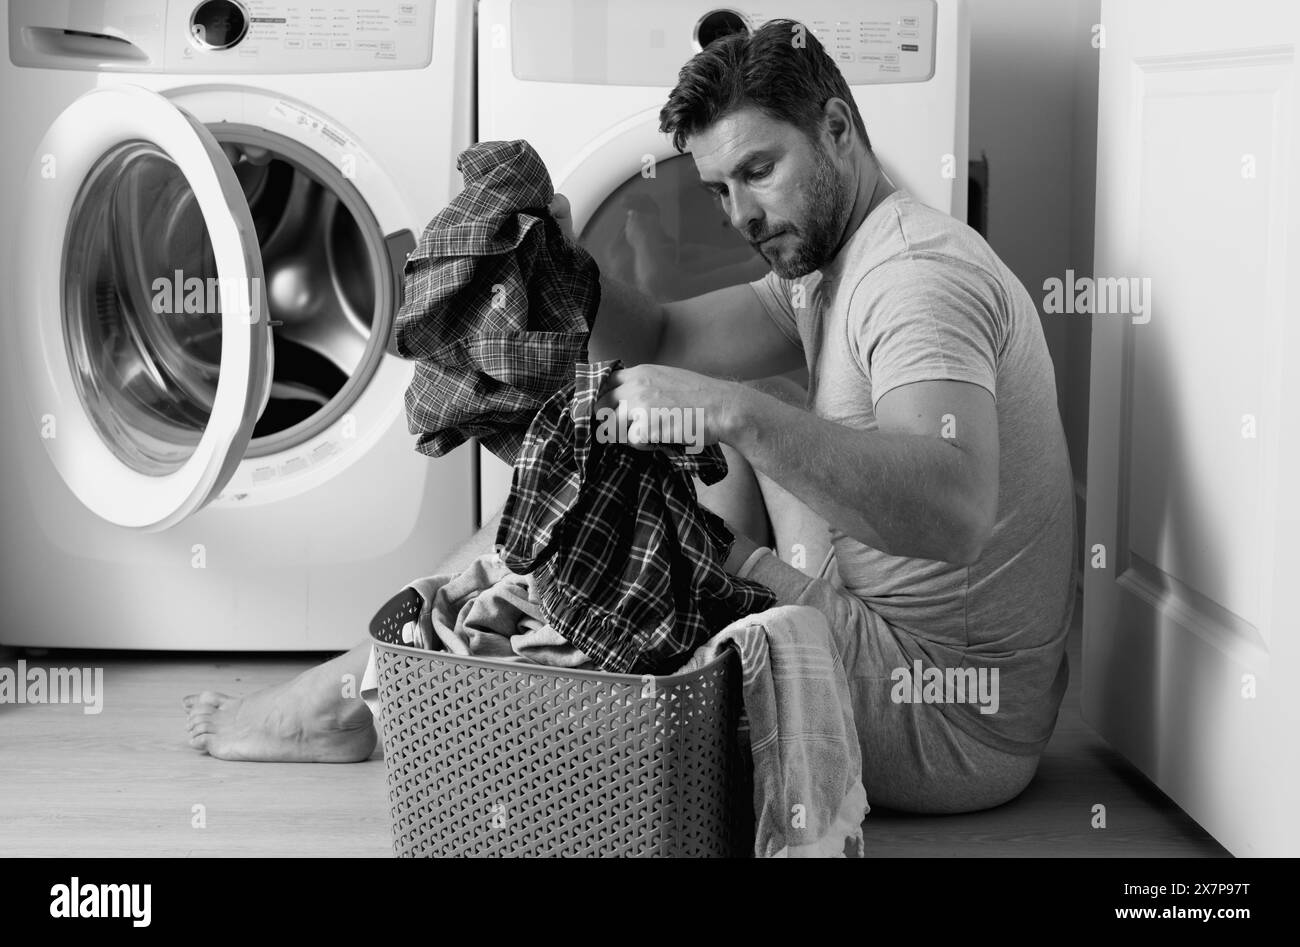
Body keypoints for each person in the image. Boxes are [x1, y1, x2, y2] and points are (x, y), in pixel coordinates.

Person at [186, 19, 1076, 814]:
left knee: (607, 506)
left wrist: (725, 414)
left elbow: (958, 511)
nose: (743, 214)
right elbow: (666, 331)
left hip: (941, 719)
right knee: (685, 440)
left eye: (761, 171)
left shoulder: (916, 277)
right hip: (925, 665)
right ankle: (387, 678)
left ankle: (351, 700)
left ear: (838, 129)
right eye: (721, 188)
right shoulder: (832, 265)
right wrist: (563, 262)